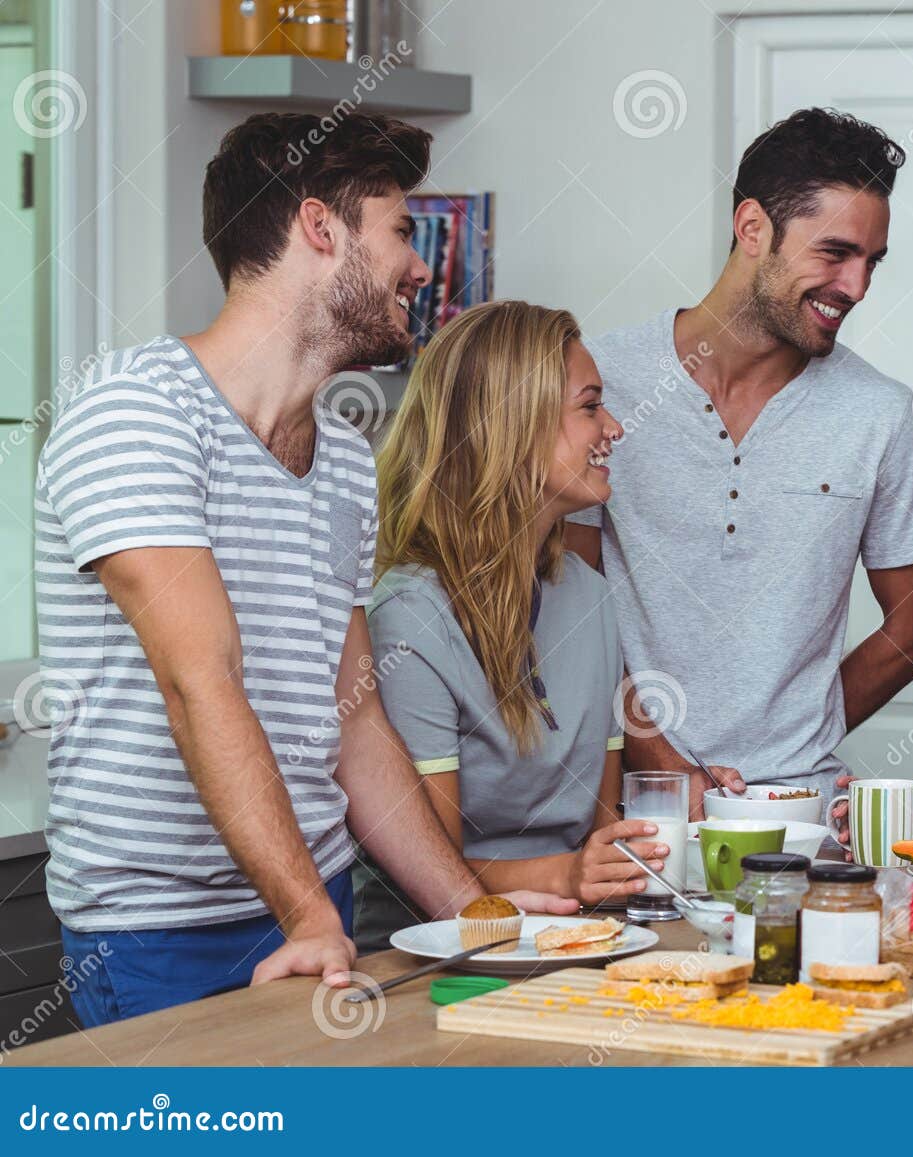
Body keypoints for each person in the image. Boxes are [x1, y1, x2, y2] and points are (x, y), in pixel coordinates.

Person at [33, 113, 575, 1027]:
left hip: (316, 902)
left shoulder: (345, 458)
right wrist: (307, 915)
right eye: (401, 231)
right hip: (163, 930)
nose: (418, 264)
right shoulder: (136, 412)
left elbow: (353, 716)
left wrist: (471, 916)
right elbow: (200, 676)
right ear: (319, 227)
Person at [566, 108, 913, 811]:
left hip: (796, 806)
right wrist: (658, 755)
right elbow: (566, 605)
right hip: (624, 796)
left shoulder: (883, 416)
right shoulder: (601, 386)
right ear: (753, 229)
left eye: (872, 261)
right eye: (835, 253)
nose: (857, 287)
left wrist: (799, 735)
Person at [353, 301, 667, 947]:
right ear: (514, 426)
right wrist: (572, 874)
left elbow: (597, 833)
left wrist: (602, 871)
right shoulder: (410, 616)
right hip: (430, 950)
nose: (612, 427)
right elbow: (428, 866)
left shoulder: (590, 598)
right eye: (589, 406)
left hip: (568, 934)